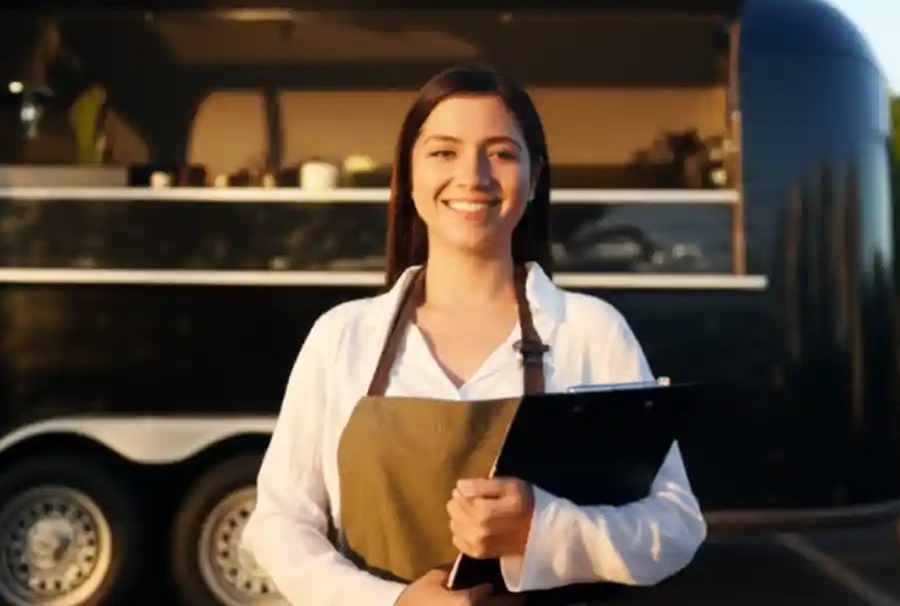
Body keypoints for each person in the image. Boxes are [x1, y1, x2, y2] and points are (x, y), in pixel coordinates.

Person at [242, 65, 707, 605]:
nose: (474, 176)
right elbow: (279, 523)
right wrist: (390, 602)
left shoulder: (588, 331)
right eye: (443, 152)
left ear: (534, 179)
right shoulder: (342, 338)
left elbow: (675, 525)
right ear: (407, 177)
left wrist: (542, 529)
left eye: (501, 153)